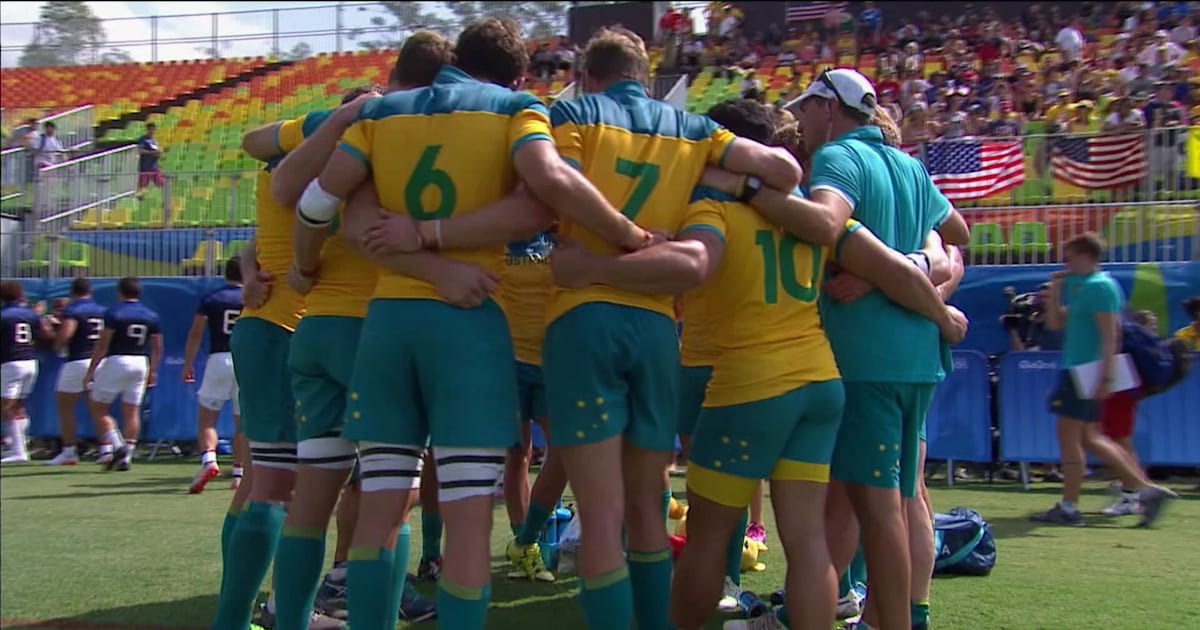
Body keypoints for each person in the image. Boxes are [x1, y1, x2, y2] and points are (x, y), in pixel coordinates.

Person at [305, 17, 648, 630]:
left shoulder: (382, 114)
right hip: (468, 323)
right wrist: (629, 235)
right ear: (517, 74)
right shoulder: (517, 107)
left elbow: (323, 207)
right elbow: (544, 189)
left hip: (386, 323)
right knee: (467, 516)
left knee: (379, 508)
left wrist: (334, 260)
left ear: (454, 59)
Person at [540, 27, 799, 630]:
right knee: (649, 508)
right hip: (658, 325)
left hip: (584, 313)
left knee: (602, 517)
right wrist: (734, 181)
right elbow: (783, 170)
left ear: (590, 75)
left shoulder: (573, 111)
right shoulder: (696, 130)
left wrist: (615, 239)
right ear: (643, 74)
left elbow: (557, 186)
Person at [265, 38, 452, 627]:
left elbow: (284, 190)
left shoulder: (328, 149)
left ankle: (287, 614)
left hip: (315, 327)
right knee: (390, 503)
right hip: (373, 331)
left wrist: (302, 264)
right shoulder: (398, 138)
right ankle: (377, 608)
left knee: (310, 504)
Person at [1033, 233, 1177, 528]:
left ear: (1085, 254)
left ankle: (1070, 506)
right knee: (1090, 437)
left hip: (1085, 371)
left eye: (1069, 256)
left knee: (1072, 436)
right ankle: (1145, 489)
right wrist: (1056, 291)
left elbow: (1111, 335)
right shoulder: (1080, 285)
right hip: (1078, 369)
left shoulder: (1100, 287)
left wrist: (1104, 377)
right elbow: (1055, 324)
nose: (1065, 262)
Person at [499, 230, 568, 584]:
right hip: (505, 361)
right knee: (517, 455)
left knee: (567, 452)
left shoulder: (558, 229)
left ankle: (528, 538)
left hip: (552, 362)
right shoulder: (499, 227)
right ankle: (526, 550)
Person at [83, 276, 162, 472]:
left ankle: (117, 444)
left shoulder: (113, 312)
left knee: (98, 407)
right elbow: (157, 346)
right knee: (131, 410)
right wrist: (153, 369)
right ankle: (127, 454)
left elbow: (103, 344)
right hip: (140, 362)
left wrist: (91, 370)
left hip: (117, 360)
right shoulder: (150, 315)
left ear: (120, 292)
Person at [181, 257, 244, 493]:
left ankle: (209, 460)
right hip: (245, 361)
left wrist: (187, 363)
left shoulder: (212, 299)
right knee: (242, 422)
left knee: (207, 419)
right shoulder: (254, 298)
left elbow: (196, 332)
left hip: (218, 358)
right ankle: (239, 473)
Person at [1099, 309, 1159, 517]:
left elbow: (1111, 346)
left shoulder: (1108, 314)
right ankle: (1133, 487)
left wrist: (1105, 379)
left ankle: (1135, 493)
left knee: (1118, 441)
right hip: (1116, 381)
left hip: (1118, 382)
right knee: (1113, 439)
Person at [44, 277, 107, 466]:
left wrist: (57, 343)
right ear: (90, 291)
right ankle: (107, 449)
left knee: (64, 407)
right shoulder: (102, 310)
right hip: (99, 361)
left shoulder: (73, 310)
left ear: (73, 292)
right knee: (97, 407)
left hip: (78, 360)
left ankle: (69, 451)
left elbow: (67, 333)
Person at [1, 282, 49, 464]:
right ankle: (15, 444)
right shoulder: (30, 314)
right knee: (17, 406)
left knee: (7, 407)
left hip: (11, 362)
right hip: (30, 361)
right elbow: (44, 333)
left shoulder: (4, 315)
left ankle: (17, 449)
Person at [137, 122, 166, 195]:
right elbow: (141, 151)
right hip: (145, 166)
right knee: (143, 185)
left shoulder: (154, 141)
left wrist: (159, 153)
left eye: (153, 130)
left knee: (160, 183)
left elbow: (156, 152)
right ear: (147, 130)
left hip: (154, 165)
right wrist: (153, 152)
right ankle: (140, 199)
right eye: (150, 129)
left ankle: (163, 198)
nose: (152, 131)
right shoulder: (143, 139)